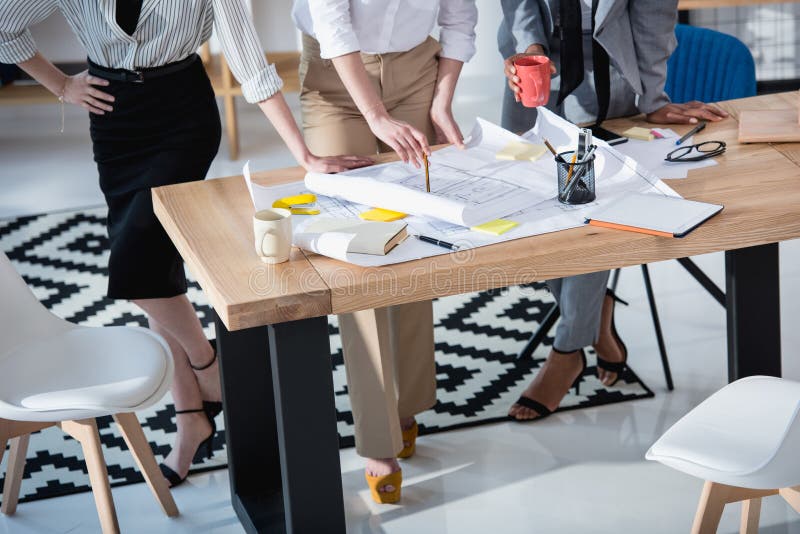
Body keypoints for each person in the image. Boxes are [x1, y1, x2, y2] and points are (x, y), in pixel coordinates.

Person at [0, 0, 372, 487]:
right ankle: (192, 413)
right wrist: (61, 85)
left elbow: (249, 61)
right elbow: (4, 23)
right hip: (113, 120)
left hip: (181, 116)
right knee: (156, 270)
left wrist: (304, 154)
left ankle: (208, 367)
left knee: (137, 269)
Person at [498, 0, 728, 421]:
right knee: (537, 205)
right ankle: (594, 313)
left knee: (592, 209)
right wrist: (530, 50)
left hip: (608, 72)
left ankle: (568, 350)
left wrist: (653, 98)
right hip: (534, 67)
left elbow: (653, 17)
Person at [291, 0, 477, 503]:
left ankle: (406, 402)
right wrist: (375, 115)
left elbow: (459, 17)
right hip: (337, 79)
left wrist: (441, 102)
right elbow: (333, 23)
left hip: (417, 74)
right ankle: (377, 438)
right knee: (359, 256)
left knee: (412, 240)